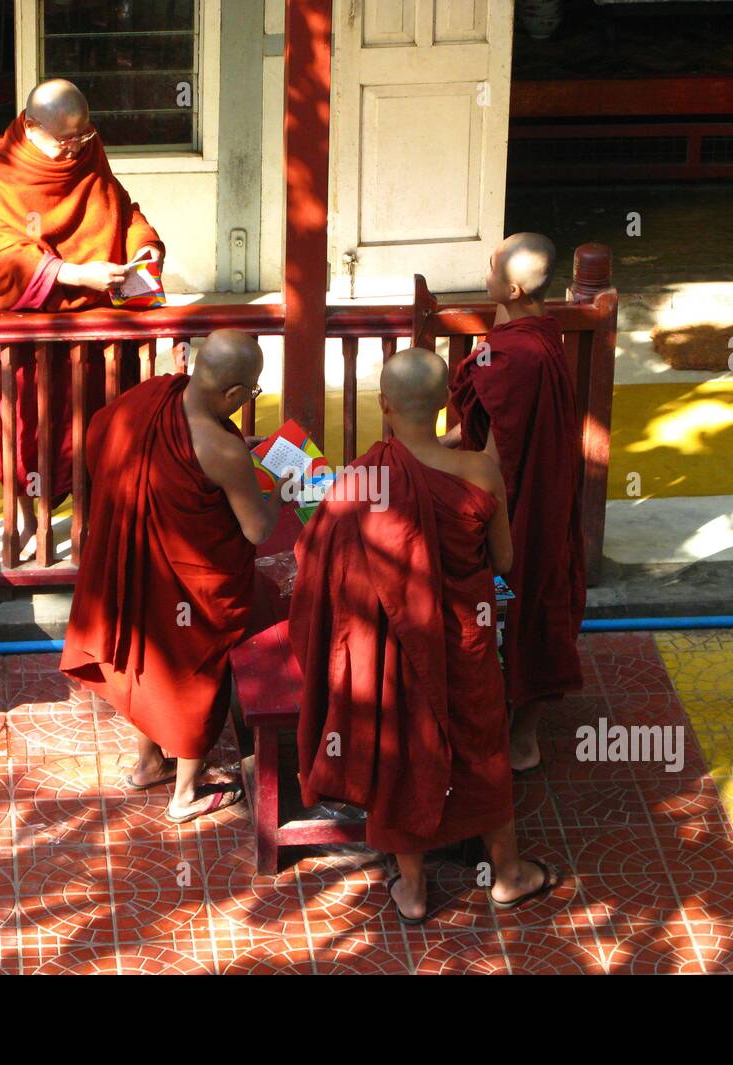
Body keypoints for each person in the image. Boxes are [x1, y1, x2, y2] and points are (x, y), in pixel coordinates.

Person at [291, 348, 557, 922]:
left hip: (389, 647)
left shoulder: (362, 477)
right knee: (483, 744)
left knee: (400, 745)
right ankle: (507, 874)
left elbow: (313, 558)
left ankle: (411, 889)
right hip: (466, 637)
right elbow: (504, 559)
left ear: (383, 405)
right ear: (445, 404)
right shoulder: (482, 470)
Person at [60, 330, 291, 824]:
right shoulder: (219, 449)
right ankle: (185, 793)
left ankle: (148, 763)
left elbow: (101, 436)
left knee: (149, 658)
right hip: (193, 581)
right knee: (193, 670)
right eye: (251, 392)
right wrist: (279, 488)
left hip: (136, 561)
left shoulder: (151, 396)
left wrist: (233, 458)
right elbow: (256, 530)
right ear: (233, 395)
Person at [0, 78, 164, 554]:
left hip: (100, 326)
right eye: (65, 141)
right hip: (35, 326)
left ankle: (93, 527)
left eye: (84, 138)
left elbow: (119, 207)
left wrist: (145, 248)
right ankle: (20, 523)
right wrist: (75, 274)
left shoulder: (87, 152)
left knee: (104, 428)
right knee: (27, 433)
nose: (75, 149)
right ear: (32, 127)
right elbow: (3, 252)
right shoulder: (2, 172)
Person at [445, 233, 587, 774]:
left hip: (520, 500)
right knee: (532, 595)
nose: (484, 272)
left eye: (491, 266)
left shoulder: (519, 353)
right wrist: (438, 446)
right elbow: (482, 422)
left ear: (514, 285)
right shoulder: (530, 331)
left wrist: (438, 475)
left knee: (525, 598)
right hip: (541, 487)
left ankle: (520, 736)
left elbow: (494, 456)